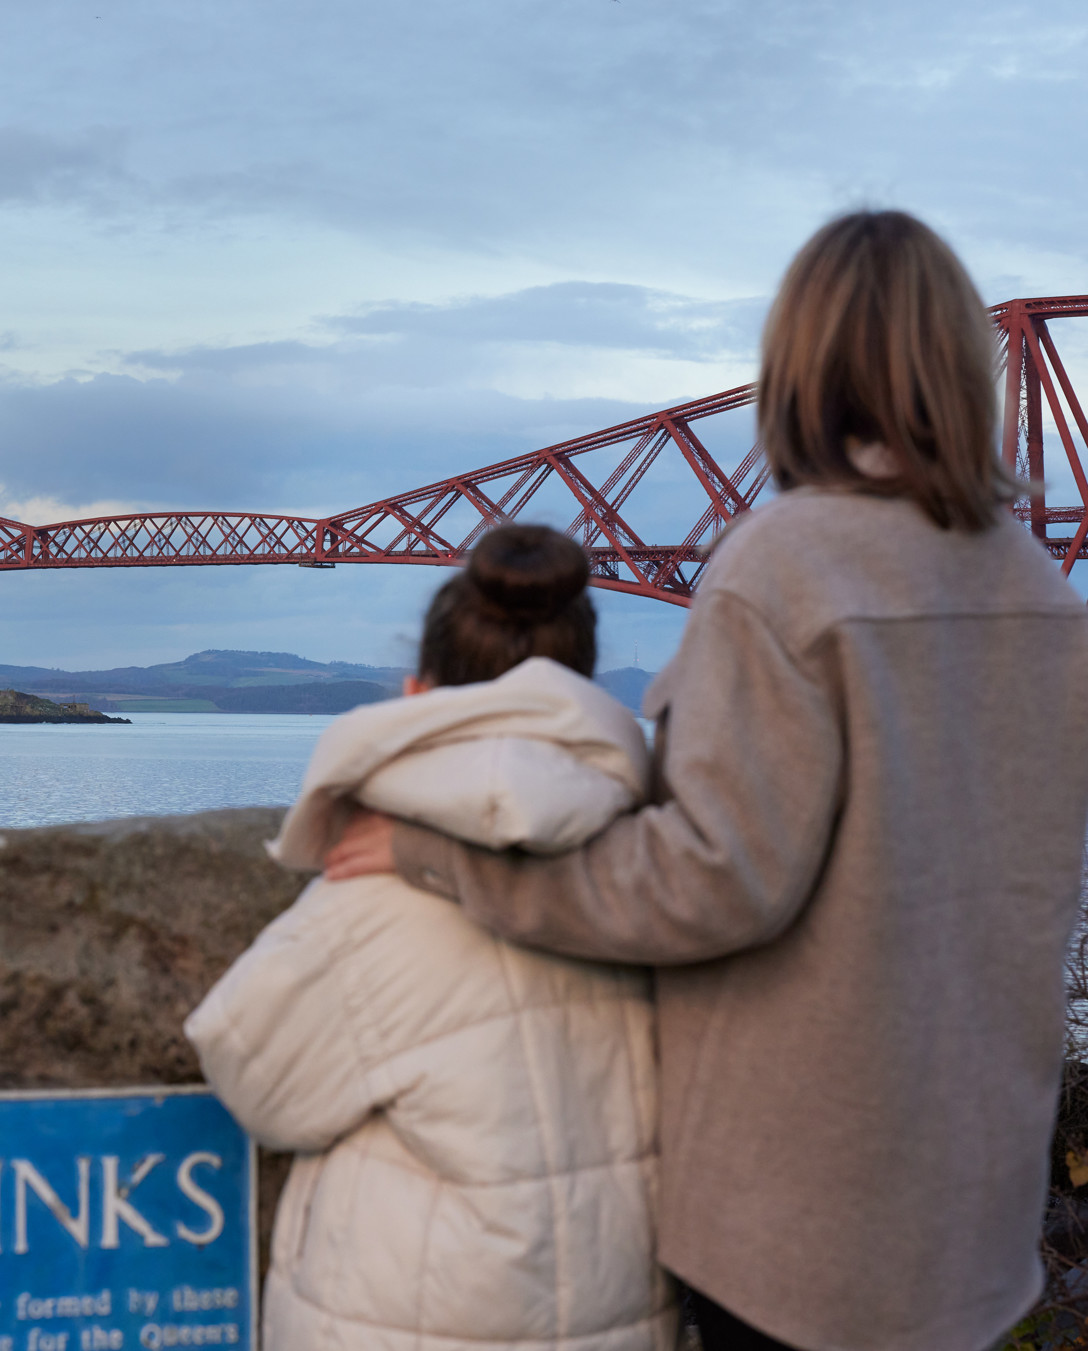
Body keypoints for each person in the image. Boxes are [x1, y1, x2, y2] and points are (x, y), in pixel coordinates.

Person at [324, 211, 1088, 1351]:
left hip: (798, 1236)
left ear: (798, 370)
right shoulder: (1042, 597)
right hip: (969, 1231)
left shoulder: (782, 569)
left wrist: (445, 855)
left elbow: (706, 882)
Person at [186, 523, 677, 1351]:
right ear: (579, 694)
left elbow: (251, 1073)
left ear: (420, 696)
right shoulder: (650, 871)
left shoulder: (374, 895)